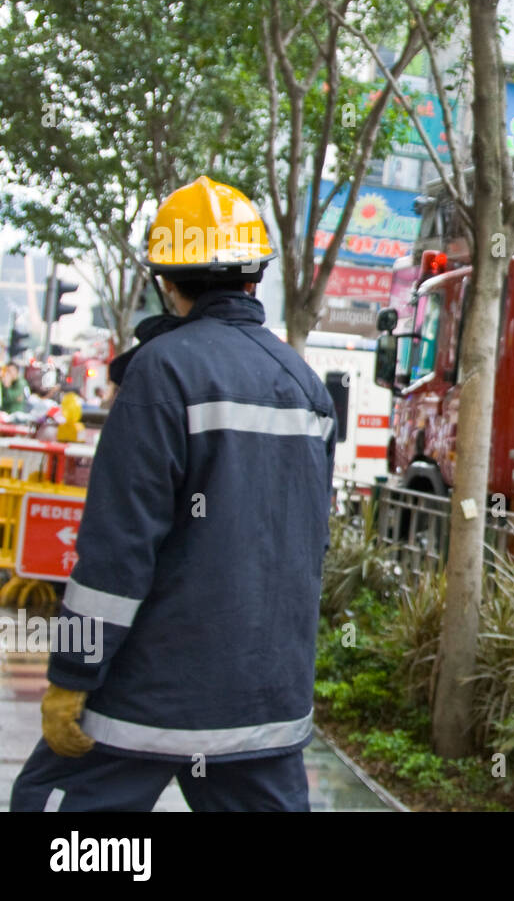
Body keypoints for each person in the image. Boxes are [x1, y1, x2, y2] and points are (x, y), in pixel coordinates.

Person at [9, 175, 337, 812]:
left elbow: (116, 550)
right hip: (264, 703)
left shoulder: (161, 372)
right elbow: (308, 545)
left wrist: (71, 676)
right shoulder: (304, 383)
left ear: (167, 280)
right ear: (254, 278)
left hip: (145, 702)